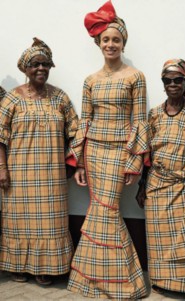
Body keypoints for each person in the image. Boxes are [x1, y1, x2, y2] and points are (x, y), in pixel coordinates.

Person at [65, 1, 149, 299]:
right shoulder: (90, 81)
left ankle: (120, 283)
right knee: (99, 211)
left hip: (118, 155)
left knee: (108, 212)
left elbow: (139, 121)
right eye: (106, 40)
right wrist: (80, 165)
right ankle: (95, 282)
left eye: (116, 39)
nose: (110, 44)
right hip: (94, 154)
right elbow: (84, 122)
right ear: (98, 43)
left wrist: (134, 162)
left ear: (123, 42)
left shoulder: (135, 77)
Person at [0, 38, 78, 285]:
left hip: (51, 176)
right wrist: (1, 168)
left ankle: (47, 268)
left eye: (45, 64)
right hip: (18, 175)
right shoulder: (11, 99)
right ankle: (18, 266)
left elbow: (76, 131)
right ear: (25, 69)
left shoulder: (60, 98)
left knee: (51, 223)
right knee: (18, 222)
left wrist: (74, 163)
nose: (41, 68)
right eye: (35, 64)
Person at [136, 59, 185, 300]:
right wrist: (142, 185)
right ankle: (164, 282)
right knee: (159, 237)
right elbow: (147, 154)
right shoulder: (154, 115)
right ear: (162, 84)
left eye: (178, 80)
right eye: (167, 80)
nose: (172, 84)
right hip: (157, 185)